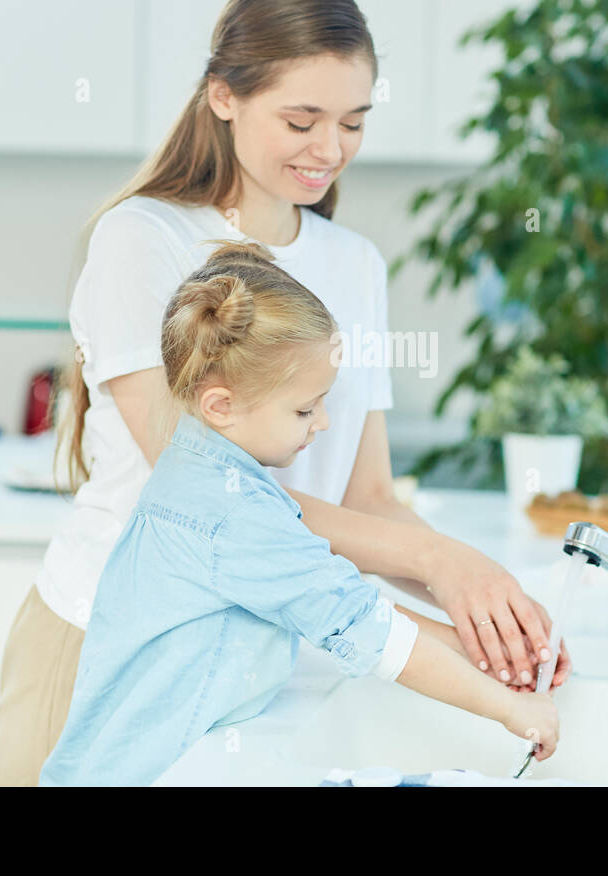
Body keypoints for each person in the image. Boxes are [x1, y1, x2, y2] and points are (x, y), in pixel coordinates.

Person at [0, 0, 570, 786]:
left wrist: (480, 612)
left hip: (256, 658)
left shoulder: (354, 266)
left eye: (353, 122)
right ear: (224, 96)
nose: (330, 150)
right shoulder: (140, 241)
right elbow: (214, 492)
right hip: (113, 649)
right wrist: (436, 566)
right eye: (302, 120)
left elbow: (365, 496)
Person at [39, 242, 560, 785]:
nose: (324, 423)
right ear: (221, 406)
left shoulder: (201, 473)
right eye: (305, 408)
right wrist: (510, 708)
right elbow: (370, 631)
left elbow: (357, 611)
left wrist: (500, 655)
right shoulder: (235, 516)